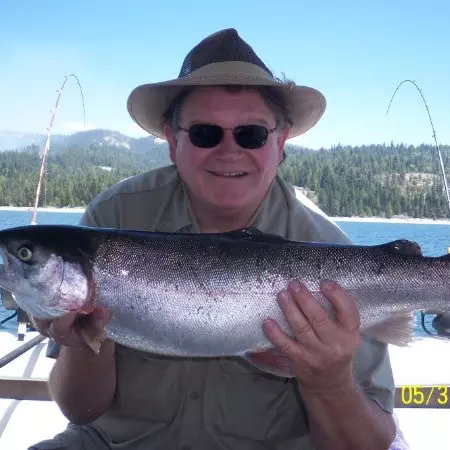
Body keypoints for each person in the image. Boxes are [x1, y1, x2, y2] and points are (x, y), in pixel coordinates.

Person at [30, 28, 406, 450]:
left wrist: (331, 383)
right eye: (206, 133)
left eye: (252, 134)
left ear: (280, 143)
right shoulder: (112, 216)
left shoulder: (334, 253)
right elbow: (80, 412)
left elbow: (370, 445)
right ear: (173, 141)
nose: (230, 151)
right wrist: (82, 341)